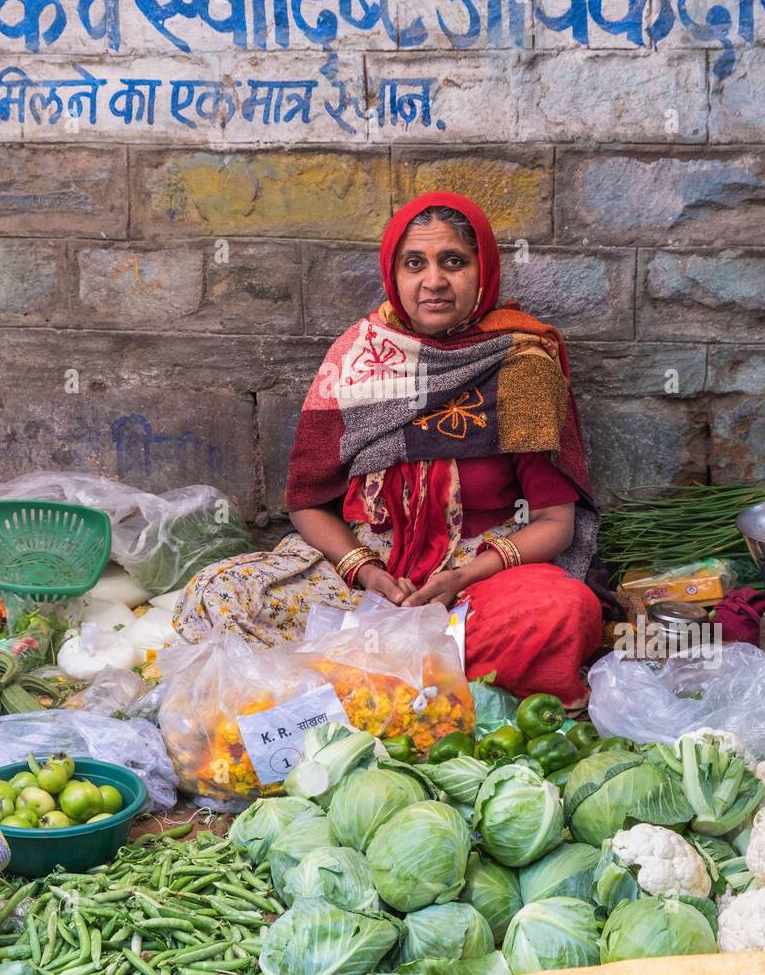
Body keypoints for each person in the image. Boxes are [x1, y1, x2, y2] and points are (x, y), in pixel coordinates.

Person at [174, 191, 602, 707]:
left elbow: (556, 523)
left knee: (563, 609)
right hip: (360, 581)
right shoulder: (356, 357)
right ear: (393, 274)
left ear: (483, 270)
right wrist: (366, 572)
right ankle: (414, 684)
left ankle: (340, 685)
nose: (434, 281)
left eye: (454, 262)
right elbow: (307, 502)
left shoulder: (521, 365)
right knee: (217, 592)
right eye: (414, 263)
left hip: (471, 585)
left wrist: (466, 575)